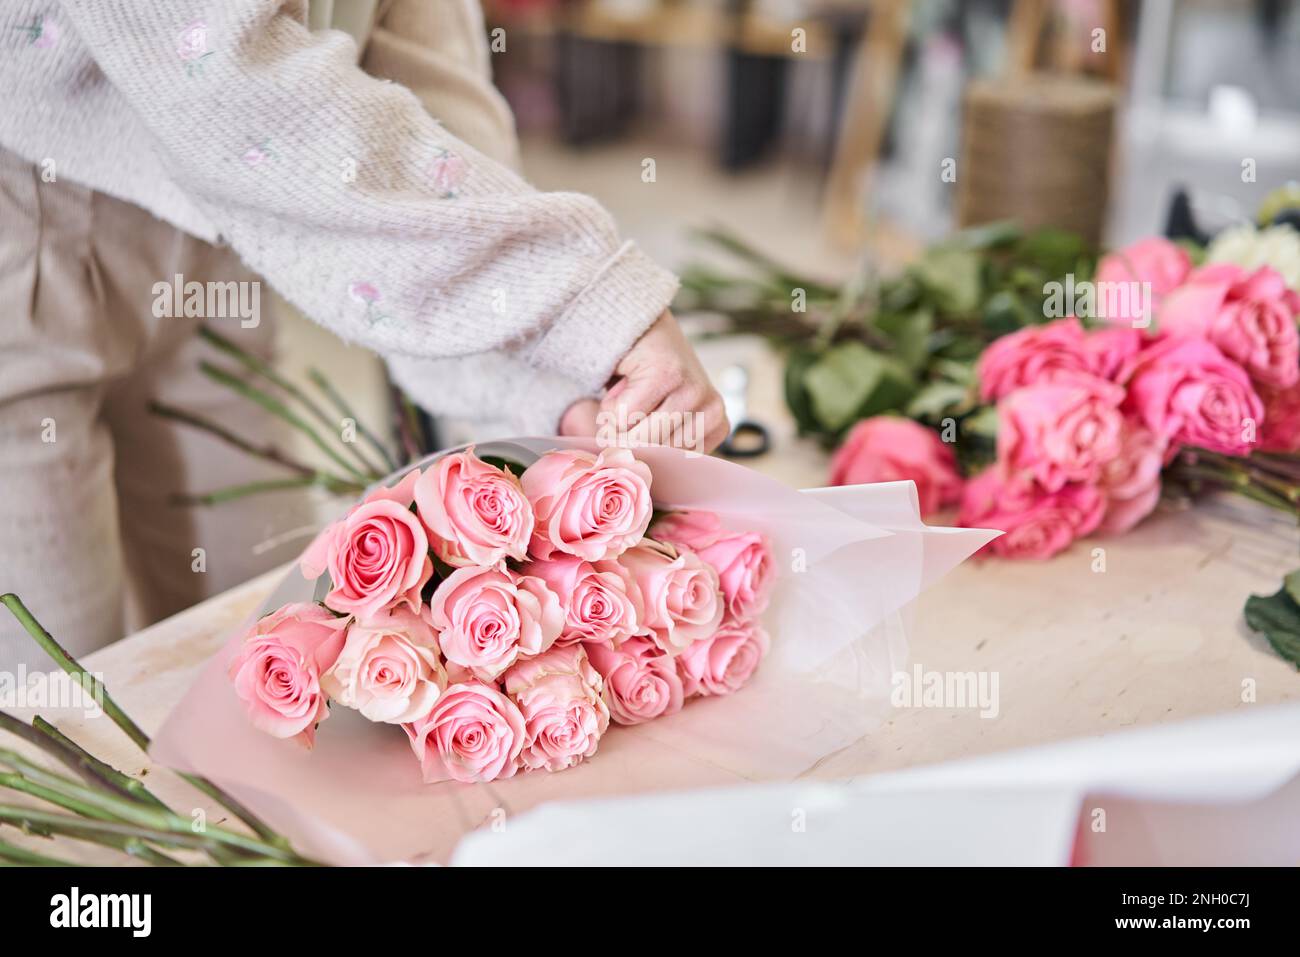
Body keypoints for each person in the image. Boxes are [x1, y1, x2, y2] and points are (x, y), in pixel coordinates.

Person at [0, 0, 727, 665]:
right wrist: (589, 299)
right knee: (58, 688)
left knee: (272, 631)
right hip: (26, 238)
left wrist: (550, 382)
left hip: (220, 247)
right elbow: (234, 86)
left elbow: (429, 94)